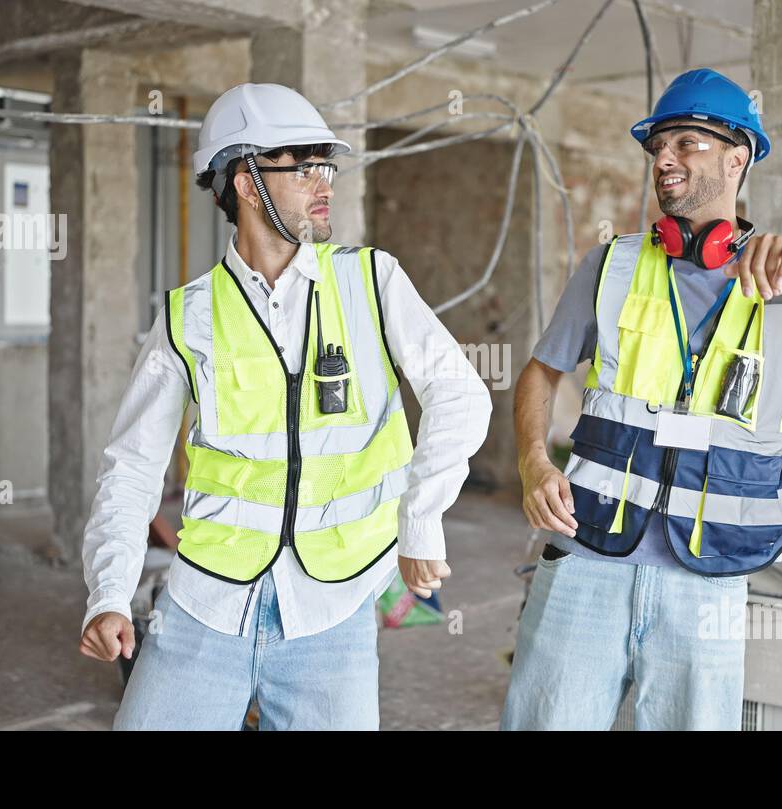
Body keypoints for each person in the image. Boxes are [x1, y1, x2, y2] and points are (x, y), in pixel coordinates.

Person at [502, 68, 782, 730]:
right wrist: (531, 462)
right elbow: (541, 370)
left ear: (737, 155)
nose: (664, 159)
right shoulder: (613, 266)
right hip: (586, 561)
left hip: (711, 578)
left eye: (686, 142)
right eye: (657, 146)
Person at [78, 83, 492, 730]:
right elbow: (130, 468)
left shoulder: (373, 282)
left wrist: (422, 518)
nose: (323, 182)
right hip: (203, 607)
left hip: (333, 613)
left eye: (325, 164)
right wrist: (107, 595)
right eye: (302, 165)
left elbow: (461, 394)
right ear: (246, 181)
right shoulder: (187, 318)